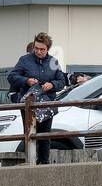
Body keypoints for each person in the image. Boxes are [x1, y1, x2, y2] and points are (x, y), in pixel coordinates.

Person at [8, 33, 68, 165]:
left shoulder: (53, 61)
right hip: (29, 104)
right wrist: (26, 81)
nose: (39, 51)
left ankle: (44, 162)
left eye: (42, 49)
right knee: (29, 134)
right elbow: (11, 76)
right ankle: (30, 162)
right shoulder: (24, 60)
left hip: (46, 102)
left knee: (45, 135)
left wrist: (52, 85)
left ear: (48, 49)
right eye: (36, 48)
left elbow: (62, 81)